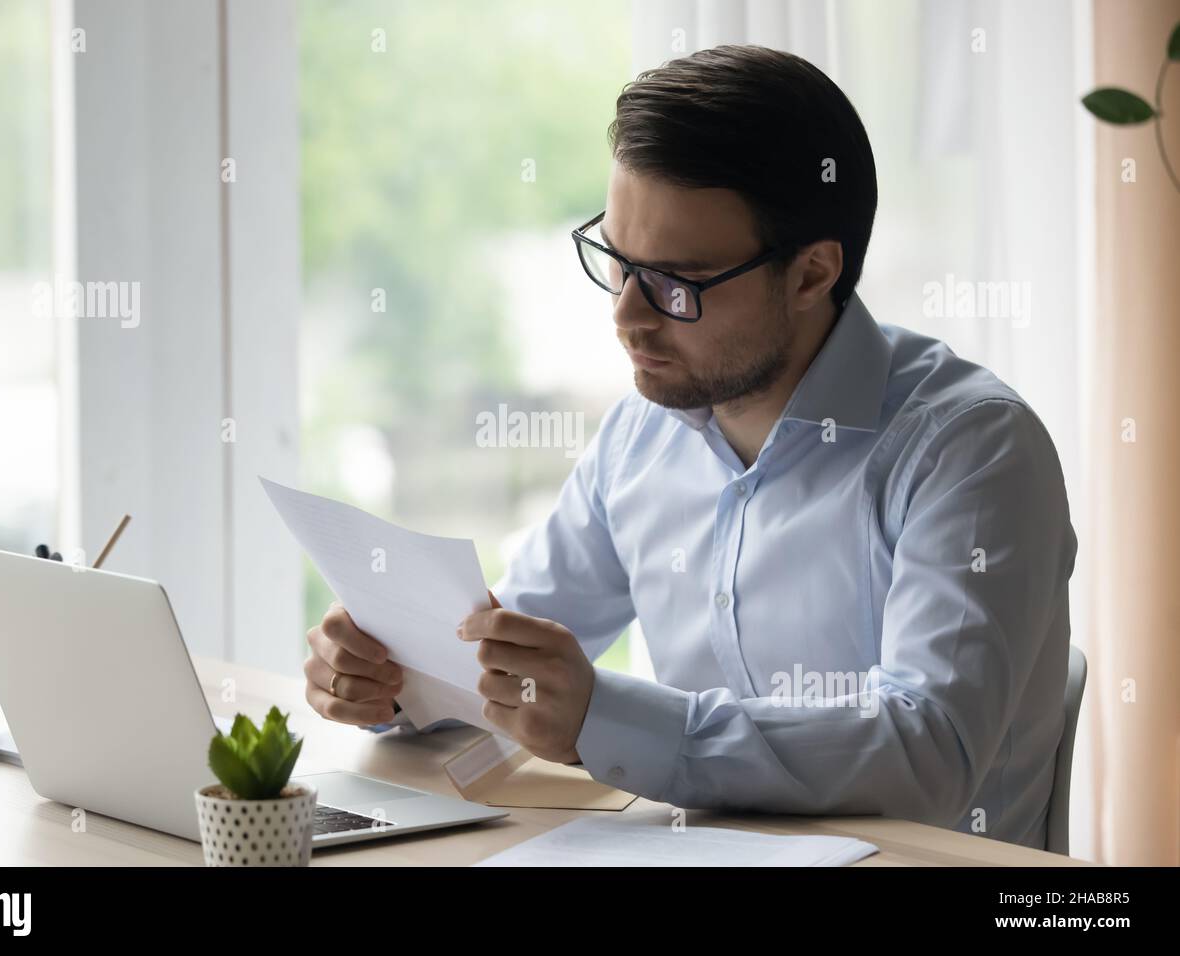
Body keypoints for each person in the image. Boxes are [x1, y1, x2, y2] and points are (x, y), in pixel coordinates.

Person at [301, 44, 1076, 849]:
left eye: (676, 285)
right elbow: (507, 660)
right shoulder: (643, 433)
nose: (627, 317)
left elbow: (929, 750)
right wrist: (396, 677)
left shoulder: (971, 449)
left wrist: (610, 718)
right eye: (617, 262)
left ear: (811, 275)